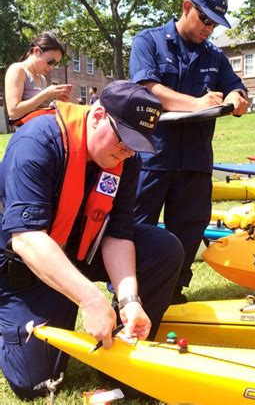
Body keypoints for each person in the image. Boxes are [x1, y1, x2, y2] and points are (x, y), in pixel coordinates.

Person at [0, 81, 184, 400]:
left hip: (82, 248)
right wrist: (90, 299)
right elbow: (27, 240)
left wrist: (130, 299)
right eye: (124, 139)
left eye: (137, 144)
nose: (128, 150)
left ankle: (120, 352)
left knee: (163, 248)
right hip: (30, 262)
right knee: (36, 382)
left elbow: (119, 233)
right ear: (98, 116)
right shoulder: (36, 143)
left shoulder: (125, 158)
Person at [129, 0, 248, 304]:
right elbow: (148, 88)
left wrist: (238, 96)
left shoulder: (214, 55)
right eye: (205, 19)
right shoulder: (149, 41)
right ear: (186, 7)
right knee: (138, 225)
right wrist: (196, 103)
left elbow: (236, 86)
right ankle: (128, 292)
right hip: (153, 155)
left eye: (216, 23)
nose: (209, 28)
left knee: (190, 227)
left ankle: (173, 291)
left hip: (195, 158)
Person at [4, 31, 72, 126]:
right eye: (50, 62)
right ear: (36, 51)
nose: (52, 67)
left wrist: (56, 103)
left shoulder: (42, 78)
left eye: (56, 64)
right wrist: (46, 94)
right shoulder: (18, 70)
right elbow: (13, 112)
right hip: (26, 136)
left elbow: (37, 110)